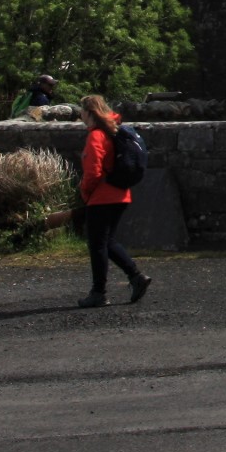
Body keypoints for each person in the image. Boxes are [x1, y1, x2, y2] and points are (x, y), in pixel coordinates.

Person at [76, 94, 150, 309]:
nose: (80, 115)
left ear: (89, 112)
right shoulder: (112, 132)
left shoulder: (96, 135)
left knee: (97, 244)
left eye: (82, 110)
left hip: (103, 197)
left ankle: (99, 292)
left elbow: (93, 172)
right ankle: (135, 276)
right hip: (120, 194)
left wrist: (84, 192)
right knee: (106, 241)